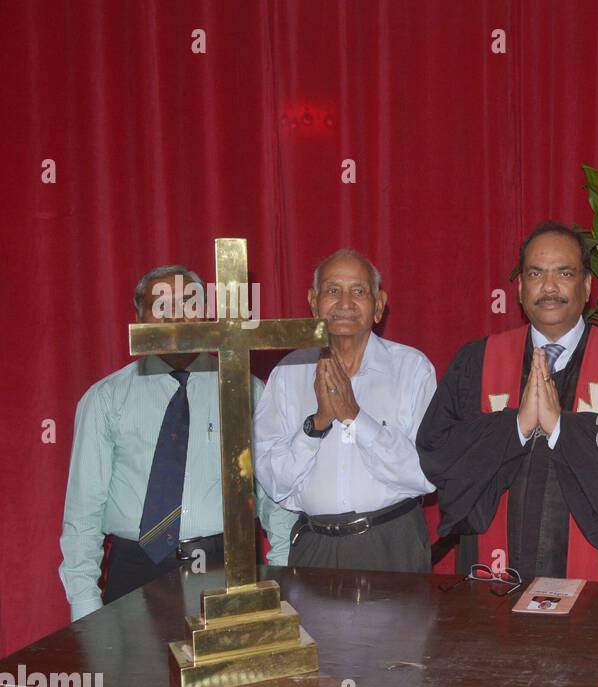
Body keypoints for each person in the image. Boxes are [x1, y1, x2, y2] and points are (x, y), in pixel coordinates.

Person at [417, 221, 598, 581]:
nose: (549, 287)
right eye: (536, 273)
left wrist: (563, 429)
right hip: (494, 578)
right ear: (520, 288)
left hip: (597, 580)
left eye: (564, 273)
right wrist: (514, 428)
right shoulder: (476, 361)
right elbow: (437, 449)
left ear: (586, 287)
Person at [59, 265, 296, 620]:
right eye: (161, 304)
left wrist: (282, 578)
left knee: (228, 677)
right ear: (140, 316)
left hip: (227, 568)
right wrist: (85, 609)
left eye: (187, 303)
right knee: (136, 677)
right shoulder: (106, 400)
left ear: (205, 313)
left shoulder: (245, 392)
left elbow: (274, 501)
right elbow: (83, 514)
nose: (175, 314)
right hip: (135, 570)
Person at [253, 249, 437, 572]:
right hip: (315, 545)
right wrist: (317, 424)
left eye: (359, 291)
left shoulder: (412, 369)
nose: (345, 303)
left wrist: (355, 418)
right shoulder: (288, 373)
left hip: (391, 544)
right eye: (333, 291)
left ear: (378, 305)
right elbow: (272, 480)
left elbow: (426, 474)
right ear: (313, 302)